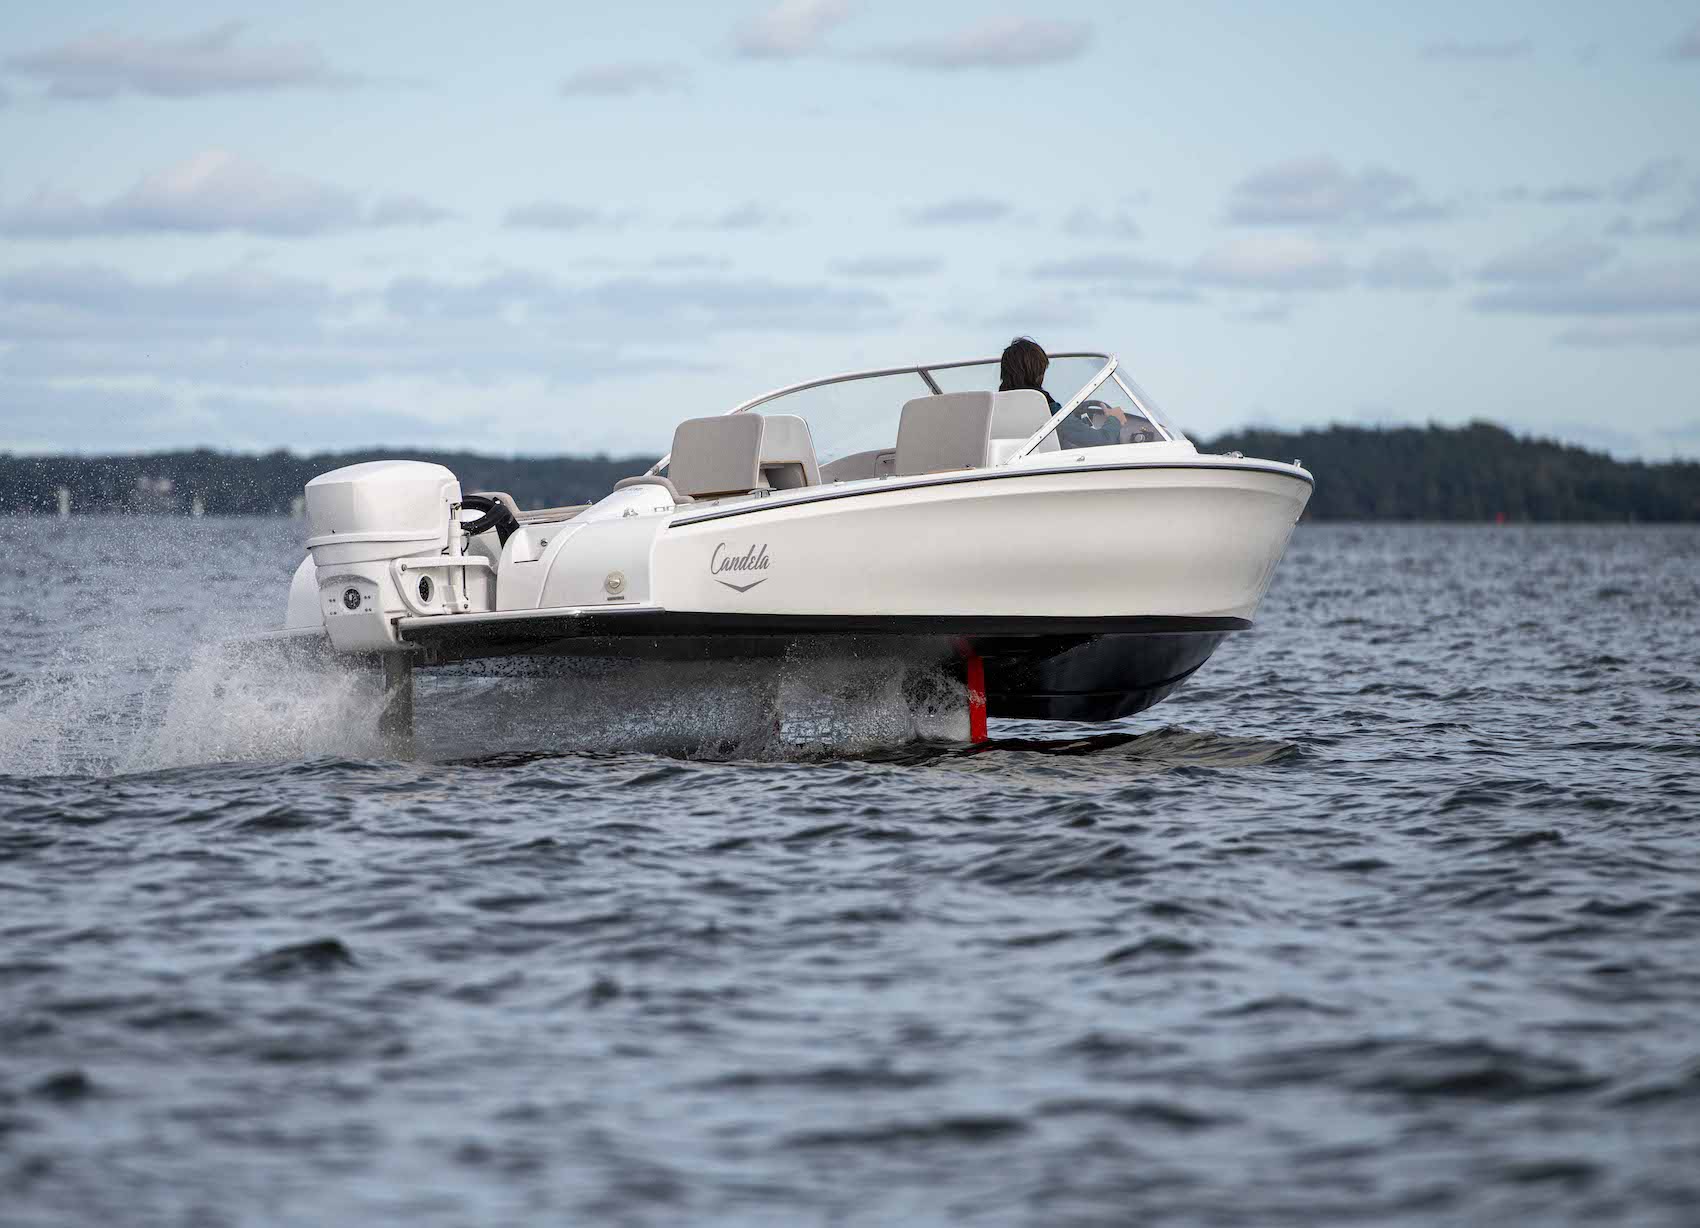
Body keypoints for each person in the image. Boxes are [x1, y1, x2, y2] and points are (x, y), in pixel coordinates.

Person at [998, 336, 1119, 449]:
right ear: (1038, 374)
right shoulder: (1047, 410)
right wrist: (1115, 418)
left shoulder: (995, 408)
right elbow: (1102, 441)